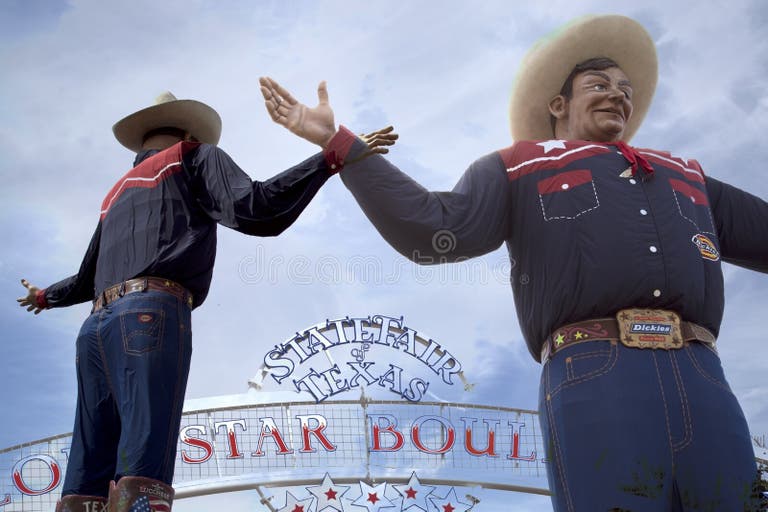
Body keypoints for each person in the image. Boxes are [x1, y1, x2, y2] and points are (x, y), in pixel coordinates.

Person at [259, 14, 768, 512]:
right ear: (558, 104)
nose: (617, 94)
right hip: (596, 373)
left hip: (704, 375)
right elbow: (435, 228)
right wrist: (338, 143)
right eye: (599, 84)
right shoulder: (517, 166)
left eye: (624, 88)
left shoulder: (686, 174)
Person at [16, 91, 394, 512]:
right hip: (149, 314)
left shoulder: (114, 195)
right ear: (189, 132)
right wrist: (331, 155)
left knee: (87, 476)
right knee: (142, 467)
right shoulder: (192, 156)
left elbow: (86, 278)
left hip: (93, 330)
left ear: (142, 142)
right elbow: (254, 207)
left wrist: (45, 296)